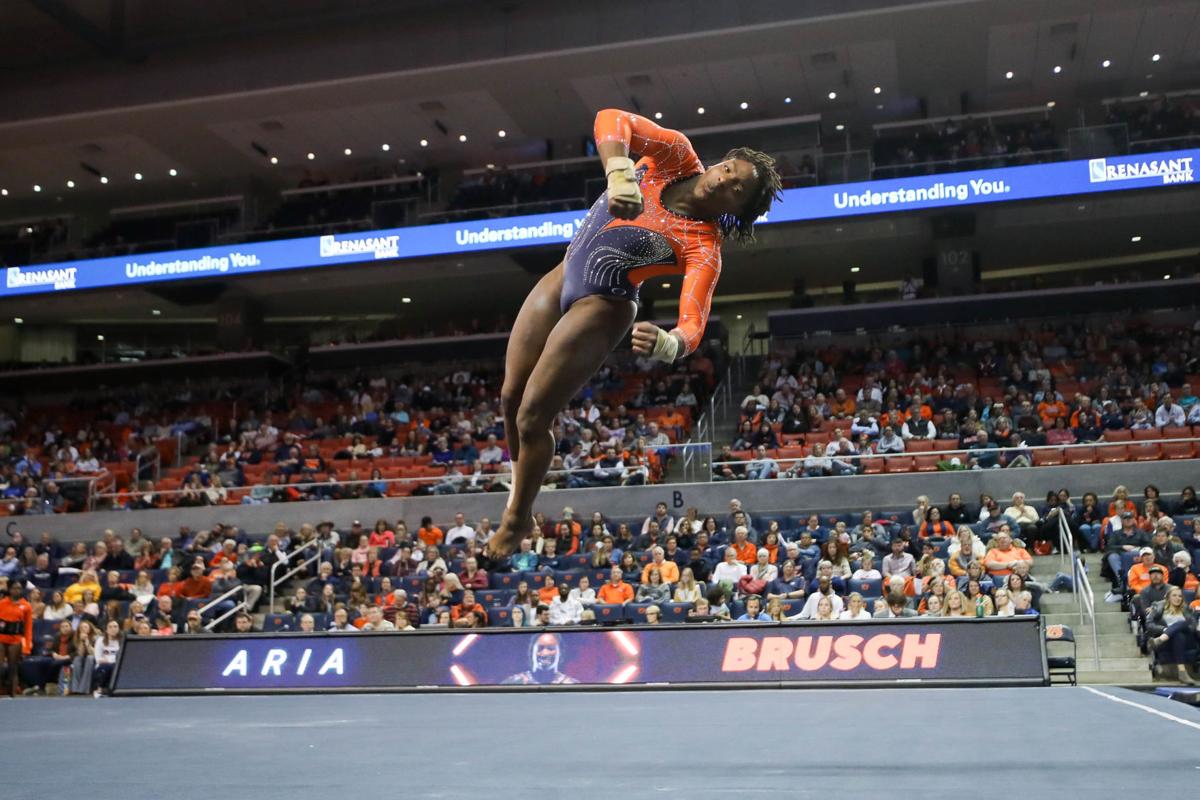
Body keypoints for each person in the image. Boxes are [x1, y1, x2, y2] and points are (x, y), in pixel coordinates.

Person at [486, 108, 782, 558]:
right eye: (727, 168)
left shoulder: (703, 244)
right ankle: (517, 489)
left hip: (604, 303)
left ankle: (517, 518)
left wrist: (667, 343)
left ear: (738, 211)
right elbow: (611, 119)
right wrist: (619, 170)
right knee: (509, 397)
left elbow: (693, 323)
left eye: (737, 188)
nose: (724, 180)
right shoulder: (676, 155)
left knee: (531, 416)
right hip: (563, 274)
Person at [1145, 586, 1198, 682]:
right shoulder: (1158, 607)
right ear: (1168, 596)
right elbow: (1149, 625)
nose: (1177, 598)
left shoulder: (1186, 609)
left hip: (1187, 640)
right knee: (1178, 635)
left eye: (1180, 596)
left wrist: (1178, 628)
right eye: (1174, 595)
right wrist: (1165, 629)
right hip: (1168, 643)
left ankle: (1160, 639)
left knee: (1182, 624)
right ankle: (1182, 672)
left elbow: (1193, 626)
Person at [0, 581, 34, 696]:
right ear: (9, 589)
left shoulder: (26, 606)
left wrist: (27, 647)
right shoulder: (2, 603)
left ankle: (12, 693)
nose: (17, 591)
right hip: (1, 638)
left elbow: (28, 628)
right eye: (14, 588)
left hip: (15, 639)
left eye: (19, 588)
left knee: (12, 667)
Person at [92, 619, 121, 697]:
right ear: (106, 630)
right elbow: (98, 659)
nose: (113, 629)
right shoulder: (100, 641)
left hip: (117, 665)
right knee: (105, 667)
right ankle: (99, 690)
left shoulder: (122, 641)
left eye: (115, 627)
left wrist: (108, 660)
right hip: (103, 666)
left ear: (118, 629)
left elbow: (122, 658)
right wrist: (111, 661)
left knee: (113, 666)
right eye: (110, 627)